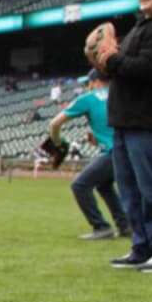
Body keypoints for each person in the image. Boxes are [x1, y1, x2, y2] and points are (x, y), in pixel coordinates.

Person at [92, 0, 152, 271]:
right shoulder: (137, 29)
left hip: (146, 122)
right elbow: (122, 69)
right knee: (130, 190)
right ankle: (141, 248)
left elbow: (147, 68)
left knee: (150, 188)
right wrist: (105, 63)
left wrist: (112, 60)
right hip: (124, 121)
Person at [51, 69, 129, 241]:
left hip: (112, 152)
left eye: (88, 83)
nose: (87, 87)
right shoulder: (121, 94)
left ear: (96, 83)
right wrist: (96, 141)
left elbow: (54, 124)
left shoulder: (89, 97)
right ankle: (125, 225)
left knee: (80, 185)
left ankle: (101, 227)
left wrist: (58, 144)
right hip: (128, 150)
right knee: (104, 185)